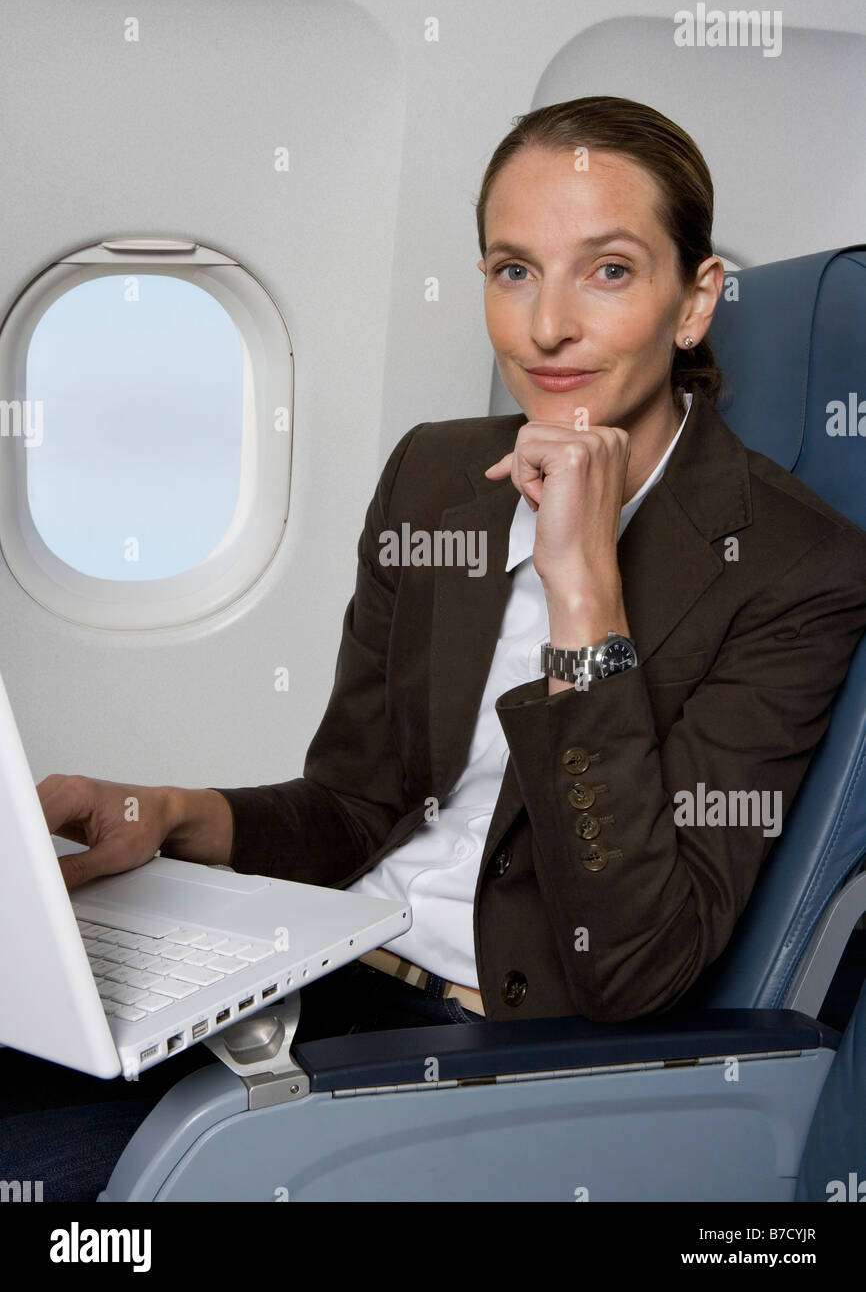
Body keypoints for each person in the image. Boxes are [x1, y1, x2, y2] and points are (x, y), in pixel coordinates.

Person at [4, 95, 866, 1201]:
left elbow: (637, 959)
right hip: (316, 976)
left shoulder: (795, 566)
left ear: (692, 302)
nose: (544, 325)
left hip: (495, 1055)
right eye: (512, 270)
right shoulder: (437, 476)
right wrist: (178, 814)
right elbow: (359, 806)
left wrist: (582, 592)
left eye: (607, 270)